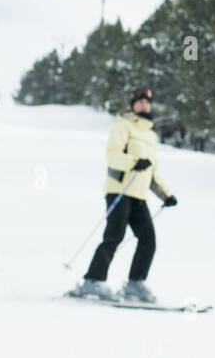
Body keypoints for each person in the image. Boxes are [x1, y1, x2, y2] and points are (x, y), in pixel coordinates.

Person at [76, 86, 178, 303]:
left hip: (139, 196)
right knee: (114, 236)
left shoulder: (150, 135)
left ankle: (135, 283)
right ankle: (92, 281)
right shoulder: (123, 125)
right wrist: (133, 162)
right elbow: (112, 156)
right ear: (132, 104)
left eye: (147, 102)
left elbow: (151, 171)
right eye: (139, 101)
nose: (144, 105)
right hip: (119, 190)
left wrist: (166, 195)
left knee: (148, 239)